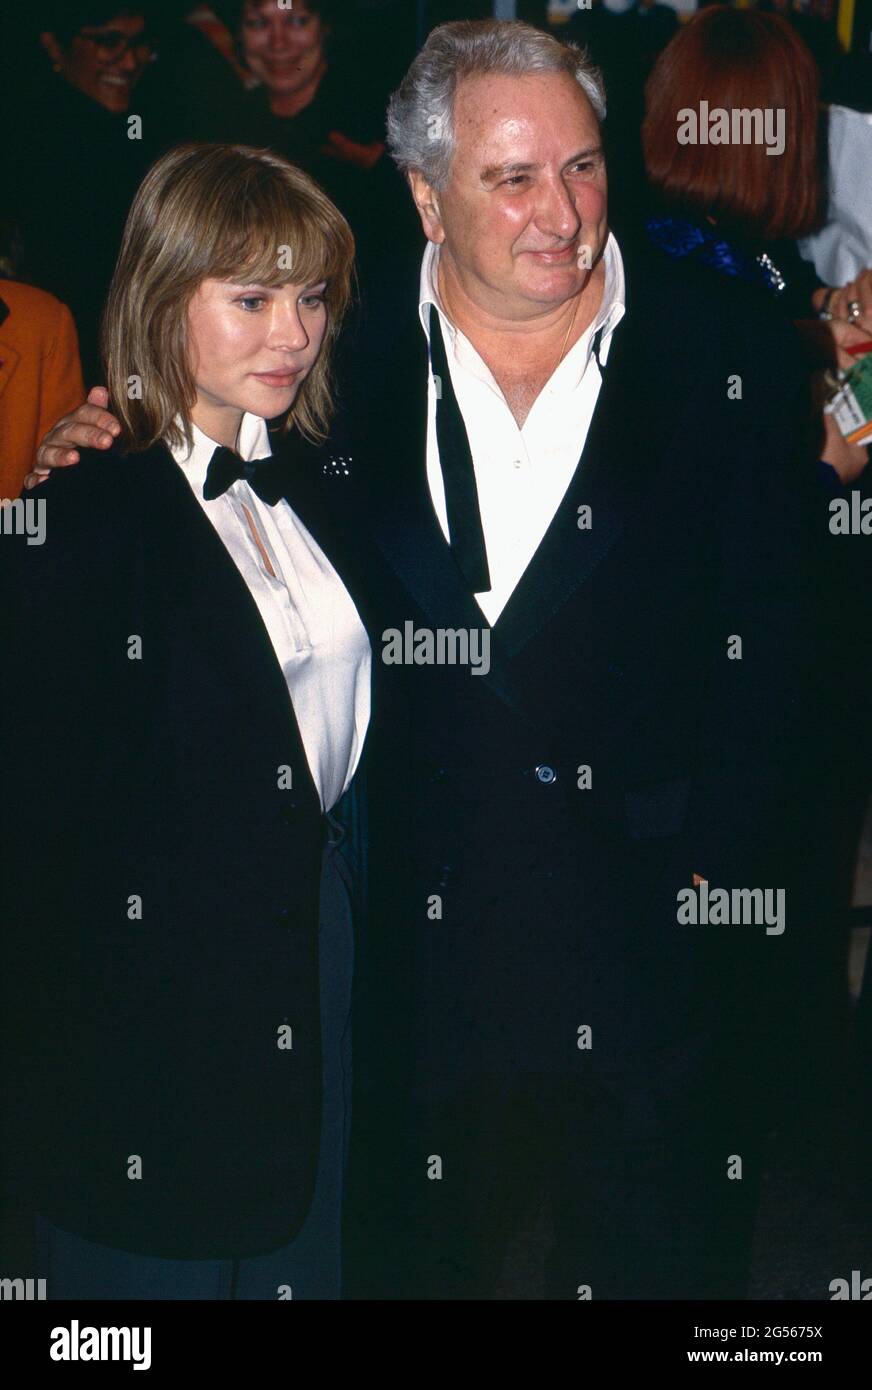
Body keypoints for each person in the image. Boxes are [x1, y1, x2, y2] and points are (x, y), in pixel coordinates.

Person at [32, 19, 822, 1301]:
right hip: (400, 968)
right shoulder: (324, 358)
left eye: (579, 166)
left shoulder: (722, 347)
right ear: (423, 195)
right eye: (510, 179)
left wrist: (715, 866)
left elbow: (785, 638)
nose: (558, 214)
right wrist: (109, 424)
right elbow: (197, 444)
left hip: (648, 961)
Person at [0, 142, 369, 1299]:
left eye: (310, 295)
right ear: (163, 298)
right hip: (149, 1000)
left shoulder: (328, 477)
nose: (293, 332)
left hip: (316, 943)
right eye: (251, 298)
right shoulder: (85, 510)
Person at [4, 4, 158, 383]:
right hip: (48, 351)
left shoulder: (135, 122)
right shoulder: (27, 134)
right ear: (54, 46)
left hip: (116, 347)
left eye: (139, 43)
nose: (128, 62)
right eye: (108, 42)